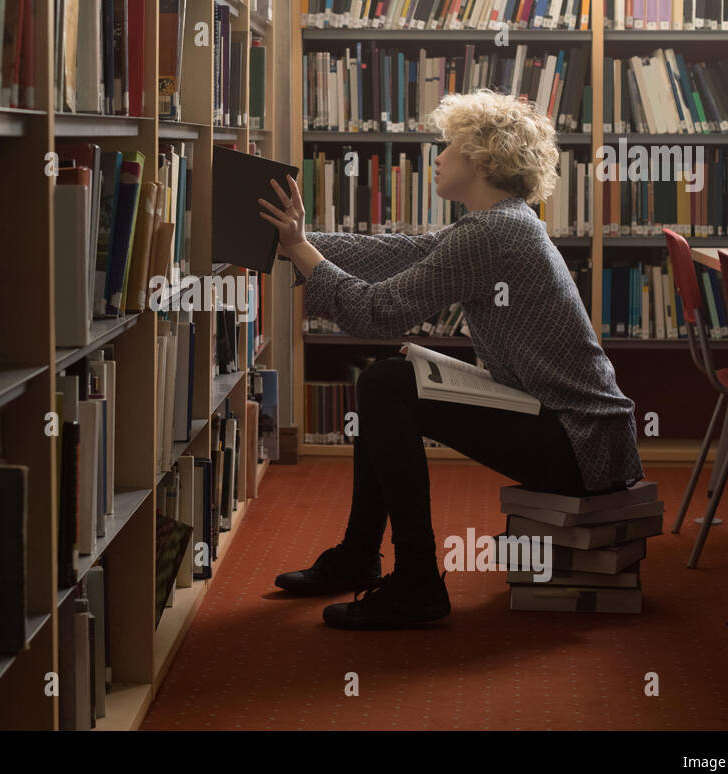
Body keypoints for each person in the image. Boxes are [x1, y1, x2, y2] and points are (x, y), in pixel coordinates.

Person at [257, 89, 643, 630]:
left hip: (580, 442)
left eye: (449, 147)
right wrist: (291, 240)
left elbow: (377, 312)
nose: (436, 157)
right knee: (387, 379)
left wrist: (300, 250)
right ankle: (361, 555)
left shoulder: (494, 233)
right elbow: (396, 253)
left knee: (388, 382)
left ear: (484, 158)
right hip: (575, 427)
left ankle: (414, 581)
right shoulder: (501, 223)